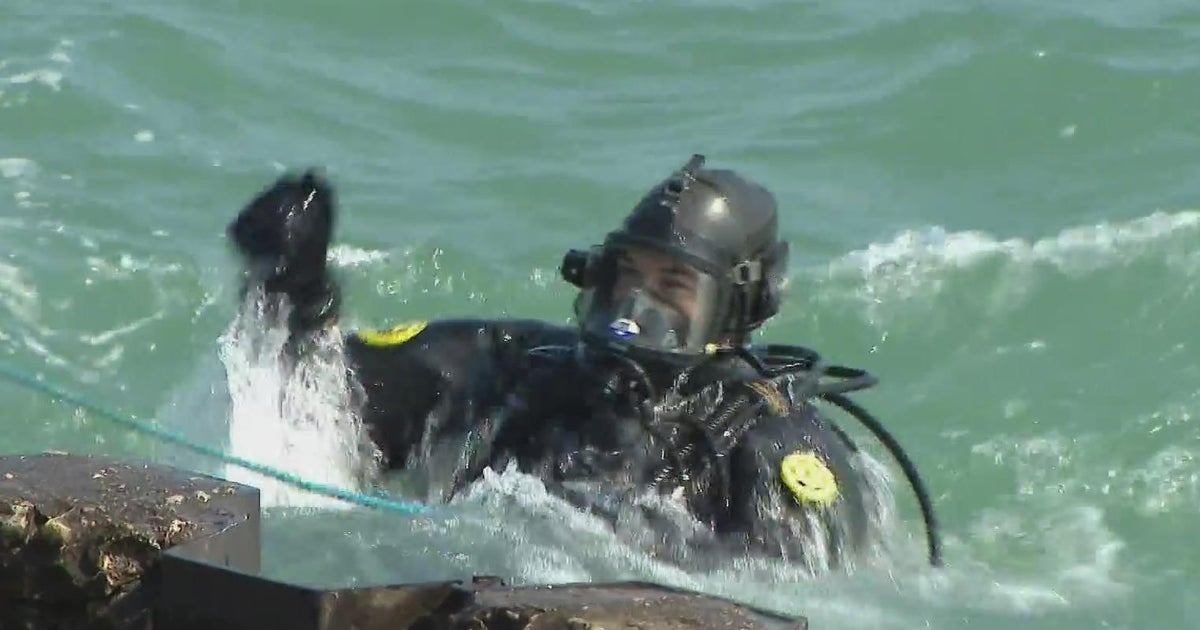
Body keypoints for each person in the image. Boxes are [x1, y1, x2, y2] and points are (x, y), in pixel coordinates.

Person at [225, 154, 941, 569]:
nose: (637, 304)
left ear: (738, 307)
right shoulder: (516, 370)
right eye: (630, 273)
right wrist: (291, 292)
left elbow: (801, 602)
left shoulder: (771, 450)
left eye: (674, 285)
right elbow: (317, 413)